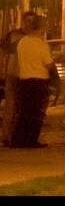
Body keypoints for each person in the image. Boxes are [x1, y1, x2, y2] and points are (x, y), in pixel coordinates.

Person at [12, 15, 56, 148]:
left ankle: (18, 140)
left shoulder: (22, 42)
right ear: (42, 27)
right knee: (37, 113)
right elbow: (48, 63)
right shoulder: (41, 44)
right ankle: (31, 140)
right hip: (39, 81)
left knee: (24, 112)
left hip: (24, 80)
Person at [1, 13, 34, 146]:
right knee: (11, 105)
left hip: (27, 74)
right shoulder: (14, 35)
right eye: (27, 20)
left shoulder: (34, 36)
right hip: (13, 73)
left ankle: (19, 136)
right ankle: (6, 136)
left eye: (32, 21)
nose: (29, 23)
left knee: (23, 107)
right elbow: (6, 50)